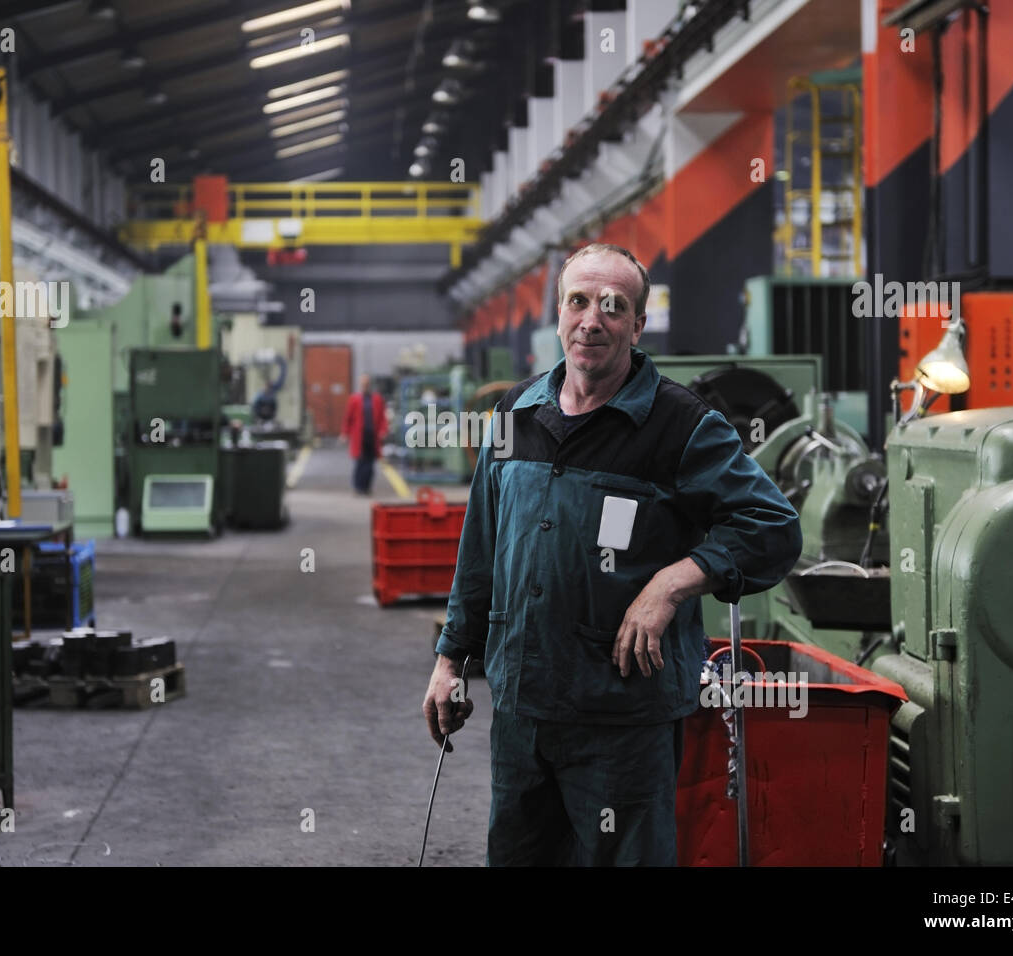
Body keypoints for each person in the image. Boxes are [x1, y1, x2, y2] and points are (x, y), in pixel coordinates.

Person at [421, 243, 802, 866]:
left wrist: (672, 584)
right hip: (523, 711)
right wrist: (450, 658)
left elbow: (773, 527)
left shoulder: (681, 426)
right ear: (559, 313)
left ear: (637, 324)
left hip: (623, 721)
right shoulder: (516, 413)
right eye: (578, 302)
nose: (592, 320)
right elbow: (481, 549)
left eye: (612, 306)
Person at [342, 373, 387, 495]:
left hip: (372, 437)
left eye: (367, 384)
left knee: (370, 464)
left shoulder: (377, 399)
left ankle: (366, 487)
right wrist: (345, 433)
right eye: (363, 384)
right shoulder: (354, 399)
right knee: (360, 463)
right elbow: (348, 418)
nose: (365, 386)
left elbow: (382, 417)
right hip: (359, 437)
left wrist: (383, 431)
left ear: (370, 385)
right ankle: (358, 487)